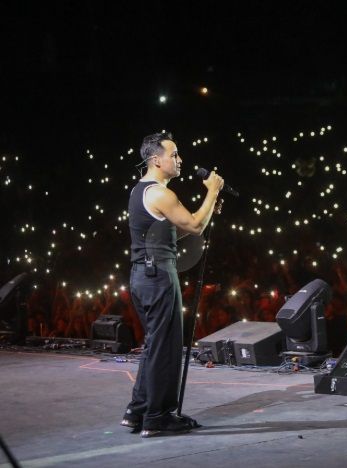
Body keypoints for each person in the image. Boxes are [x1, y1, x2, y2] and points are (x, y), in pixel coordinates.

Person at [121, 132, 223, 438]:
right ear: (156, 160)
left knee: (155, 343)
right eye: (174, 154)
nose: (180, 160)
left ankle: (138, 410)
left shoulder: (140, 191)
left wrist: (206, 210)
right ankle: (158, 417)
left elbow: (173, 232)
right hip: (158, 276)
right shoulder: (159, 193)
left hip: (142, 275)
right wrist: (212, 192)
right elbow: (194, 225)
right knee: (166, 347)